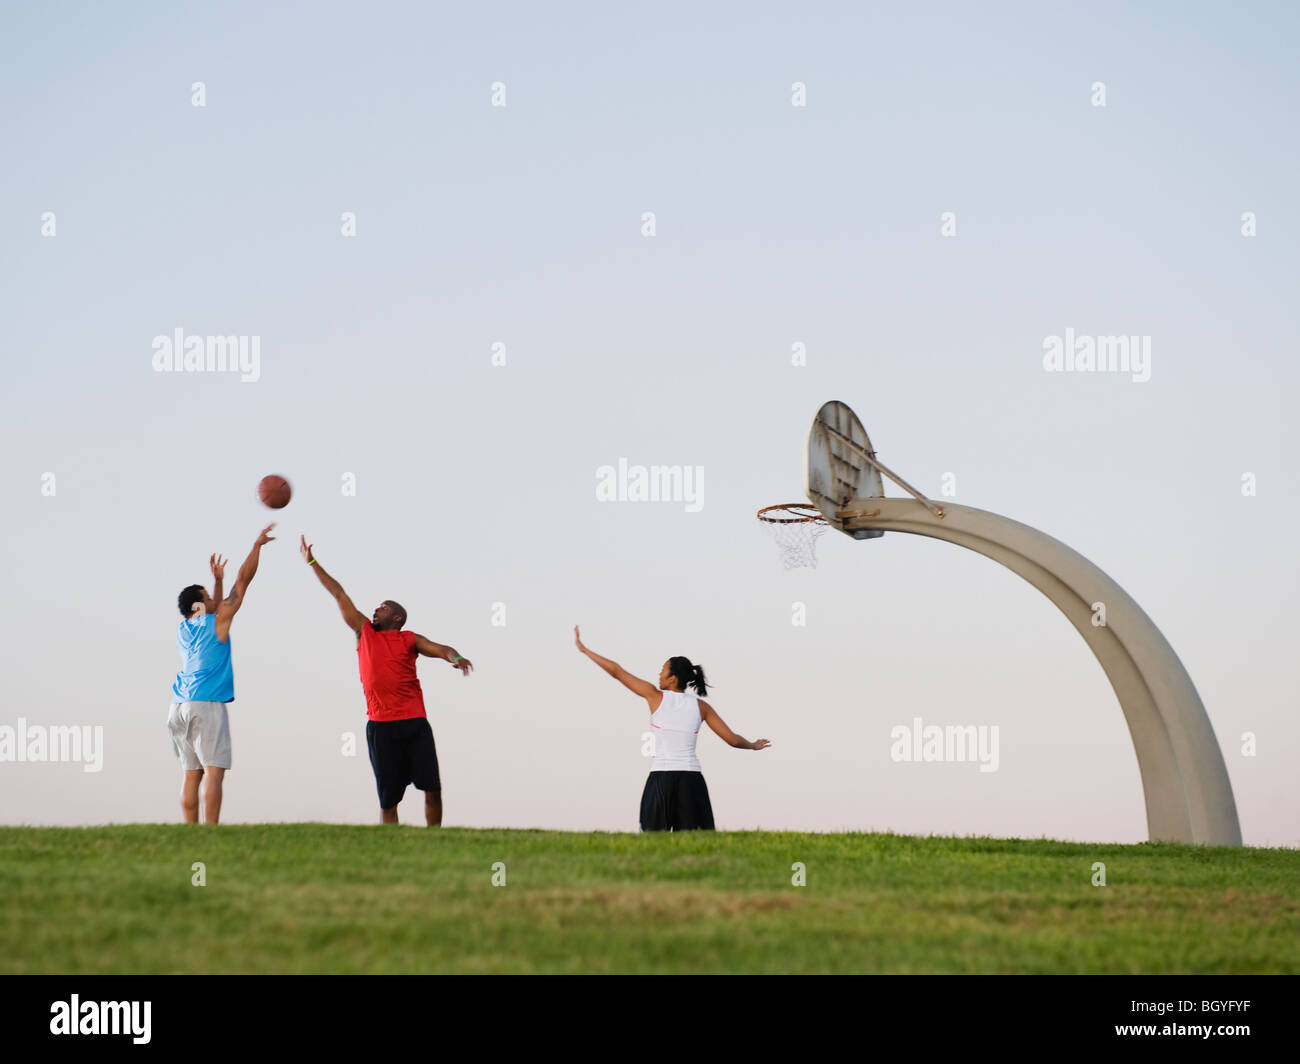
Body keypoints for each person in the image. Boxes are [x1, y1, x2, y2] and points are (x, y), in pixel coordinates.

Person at [299, 535, 472, 825]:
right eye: (377, 607)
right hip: (381, 727)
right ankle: (391, 847)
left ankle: (437, 839)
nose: (377, 610)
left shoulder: (409, 639)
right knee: (388, 800)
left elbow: (441, 649)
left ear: (398, 618)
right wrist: (312, 562)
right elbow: (339, 594)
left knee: (432, 789)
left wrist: (455, 659)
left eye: (384, 607)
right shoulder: (363, 632)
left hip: (414, 723)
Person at [574, 626, 770, 831]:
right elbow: (732, 739)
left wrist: (585, 650)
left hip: (662, 777)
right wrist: (752, 745)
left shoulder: (655, 696)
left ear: (673, 677)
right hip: (691, 780)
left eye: (663, 669)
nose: (659, 673)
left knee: (653, 841)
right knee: (694, 842)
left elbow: (617, 672)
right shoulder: (702, 707)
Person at [168, 523, 276, 823]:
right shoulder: (217, 622)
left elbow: (214, 610)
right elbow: (243, 582)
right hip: (206, 703)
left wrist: (216, 581)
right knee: (214, 772)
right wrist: (256, 546)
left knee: (191, 774)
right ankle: (211, 831)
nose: (215, 600)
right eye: (209, 596)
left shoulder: (184, 628)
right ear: (201, 605)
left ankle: (191, 832)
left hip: (179, 705)